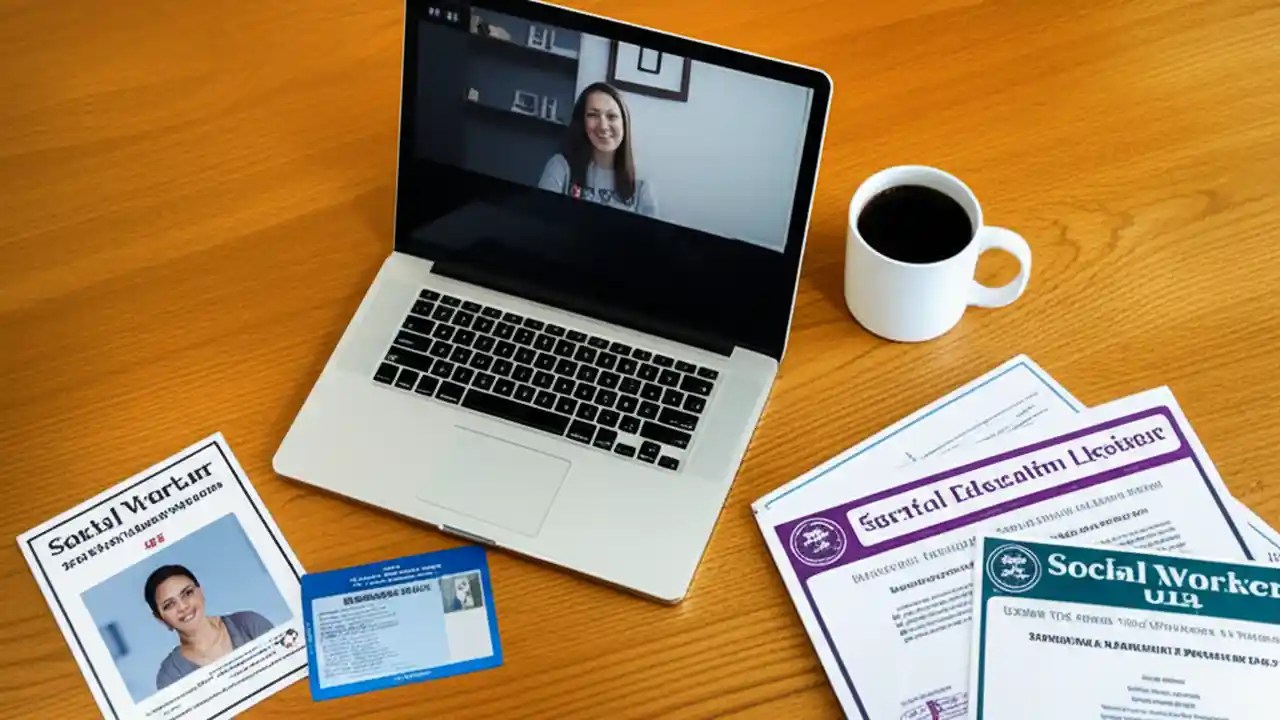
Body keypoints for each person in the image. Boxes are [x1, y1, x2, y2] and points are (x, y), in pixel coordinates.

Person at [144, 564, 274, 690]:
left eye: (188, 593)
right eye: (169, 605)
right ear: (160, 619)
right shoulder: (170, 675)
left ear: (201, 592)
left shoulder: (248, 624)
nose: (183, 607)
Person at [537, 82, 657, 217]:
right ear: (582, 122)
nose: (603, 126)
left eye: (612, 116)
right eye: (593, 115)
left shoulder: (641, 185)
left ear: (624, 123)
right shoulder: (560, 167)